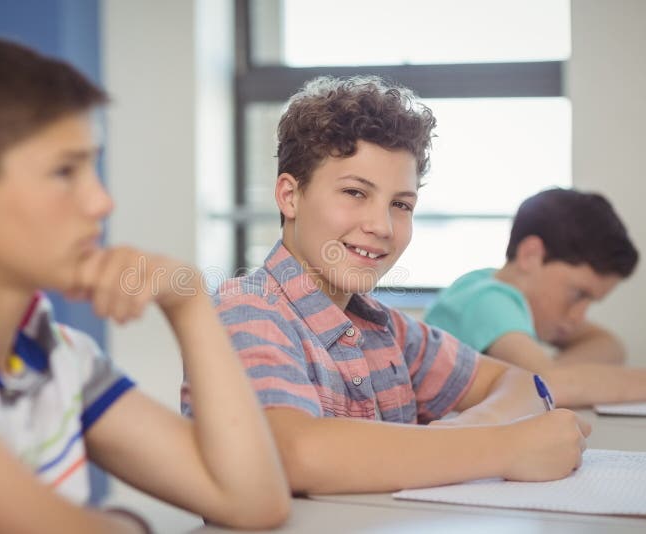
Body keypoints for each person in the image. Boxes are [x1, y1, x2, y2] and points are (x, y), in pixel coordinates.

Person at [0, 36, 289, 534]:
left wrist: (189, 300)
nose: (100, 202)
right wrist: (126, 523)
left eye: (93, 166)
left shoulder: (63, 357)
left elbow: (254, 502)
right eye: (65, 171)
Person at [183, 76, 590, 495]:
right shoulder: (249, 310)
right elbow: (291, 452)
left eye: (401, 204)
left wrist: (462, 436)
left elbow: (520, 383)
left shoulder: (386, 330)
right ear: (289, 196)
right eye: (355, 192)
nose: (381, 226)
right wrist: (504, 447)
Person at [425, 187, 646, 407]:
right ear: (531, 255)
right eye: (578, 294)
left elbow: (609, 345)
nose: (579, 316)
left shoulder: (485, 282)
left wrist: (559, 371)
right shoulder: (487, 301)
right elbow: (548, 385)